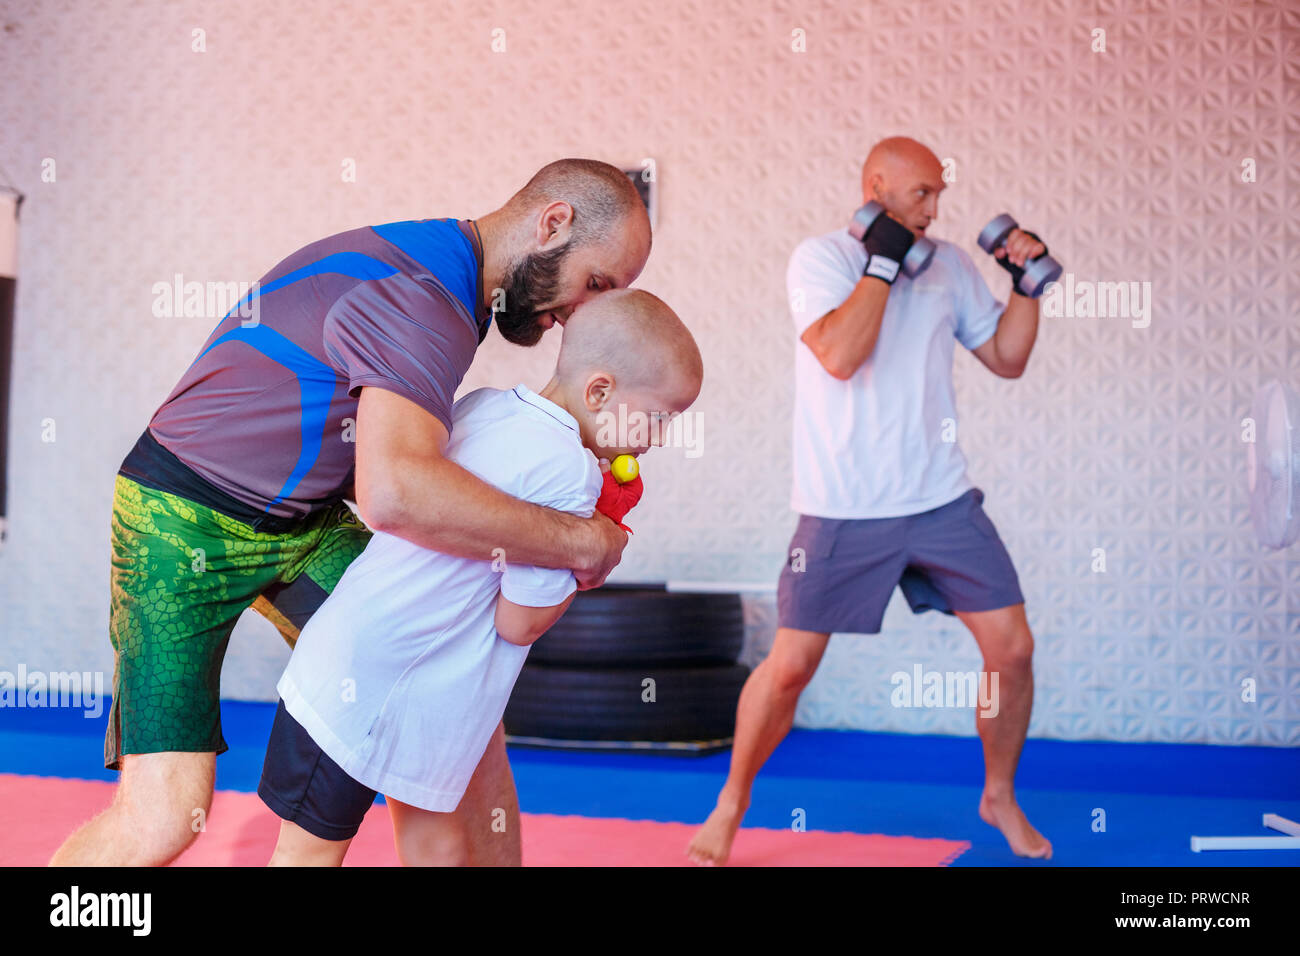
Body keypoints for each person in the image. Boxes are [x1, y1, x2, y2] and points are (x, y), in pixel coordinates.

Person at [50, 159, 652, 867]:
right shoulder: (424, 297)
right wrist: (579, 540)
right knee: (163, 820)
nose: (580, 316)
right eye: (595, 284)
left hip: (302, 522)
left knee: (449, 706)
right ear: (554, 224)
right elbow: (395, 492)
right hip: (180, 514)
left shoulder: (454, 282)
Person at [688, 136, 1053, 864]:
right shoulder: (820, 259)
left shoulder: (949, 264)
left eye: (940, 196)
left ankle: (999, 796)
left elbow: (1007, 360)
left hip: (940, 499)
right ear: (877, 186)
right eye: (922, 195)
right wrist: (882, 263)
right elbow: (840, 355)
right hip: (842, 505)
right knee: (790, 666)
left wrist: (1026, 287)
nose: (935, 210)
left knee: (1012, 648)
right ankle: (731, 803)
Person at [257, 289, 702, 865]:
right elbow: (518, 623)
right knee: (311, 855)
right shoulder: (571, 476)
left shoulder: (486, 405)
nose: (659, 438)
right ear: (600, 392)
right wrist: (585, 554)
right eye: (658, 418)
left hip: (404, 688)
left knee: (436, 842)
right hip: (374, 687)